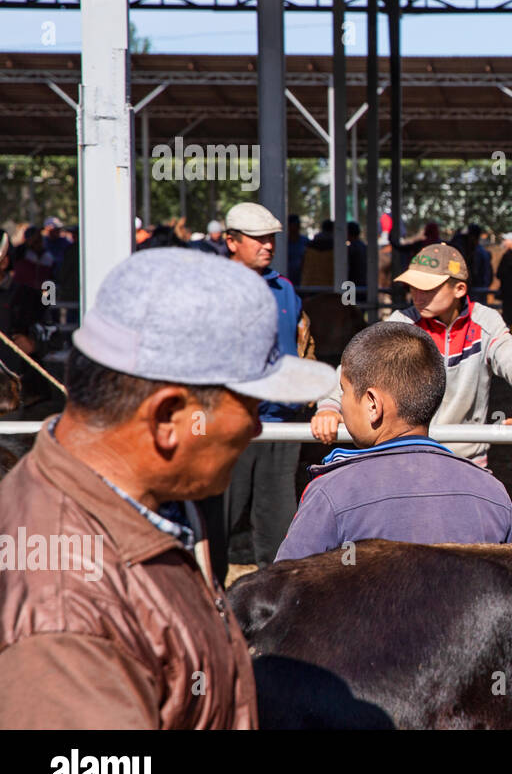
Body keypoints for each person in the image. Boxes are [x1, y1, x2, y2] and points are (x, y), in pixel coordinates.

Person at [0, 248, 336, 727]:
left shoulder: (156, 504)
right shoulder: (65, 613)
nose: (257, 429)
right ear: (168, 418)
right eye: (250, 405)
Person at [277, 322, 512, 560]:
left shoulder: (330, 493)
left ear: (372, 404)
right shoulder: (493, 494)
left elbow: (283, 591)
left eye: (344, 391)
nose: (342, 403)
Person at [311, 244, 512, 467]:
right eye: (413, 287)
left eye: (428, 288)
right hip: (409, 455)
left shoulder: (484, 323)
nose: (418, 295)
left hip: (466, 460)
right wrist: (329, 407)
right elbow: (358, 363)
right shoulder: (403, 323)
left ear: (459, 289)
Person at [211, 202, 319, 573]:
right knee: (219, 519)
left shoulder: (285, 289)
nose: (268, 246)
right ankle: (208, 596)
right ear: (231, 242)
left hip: (281, 422)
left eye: (270, 239)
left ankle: (277, 599)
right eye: (257, 239)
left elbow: (301, 344)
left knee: (279, 521)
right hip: (231, 424)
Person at [286, 213, 309, 284]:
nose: (296, 227)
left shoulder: (306, 242)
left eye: (297, 224)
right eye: (293, 224)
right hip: (286, 277)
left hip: (302, 280)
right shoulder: (283, 243)